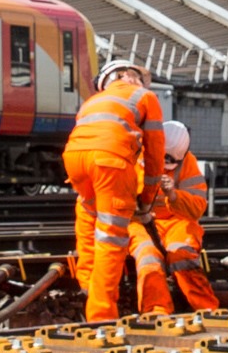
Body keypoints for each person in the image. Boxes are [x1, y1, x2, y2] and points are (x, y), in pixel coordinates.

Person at [63, 60, 168, 320]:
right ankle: (101, 315)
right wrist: (147, 197)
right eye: (138, 77)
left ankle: (87, 284)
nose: (141, 83)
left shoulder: (91, 102)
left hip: (74, 160)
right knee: (111, 237)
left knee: (89, 220)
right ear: (125, 75)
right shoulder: (145, 96)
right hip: (109, 161)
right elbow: (155, 154)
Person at [150, 121, 221, 312]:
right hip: (144, 222)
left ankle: (207, 310)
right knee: (148, 259)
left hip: (176, 221)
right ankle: (158, 312)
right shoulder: (140, 157)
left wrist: (173, 195)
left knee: (181, 254)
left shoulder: (188, 163)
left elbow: (197, 206)